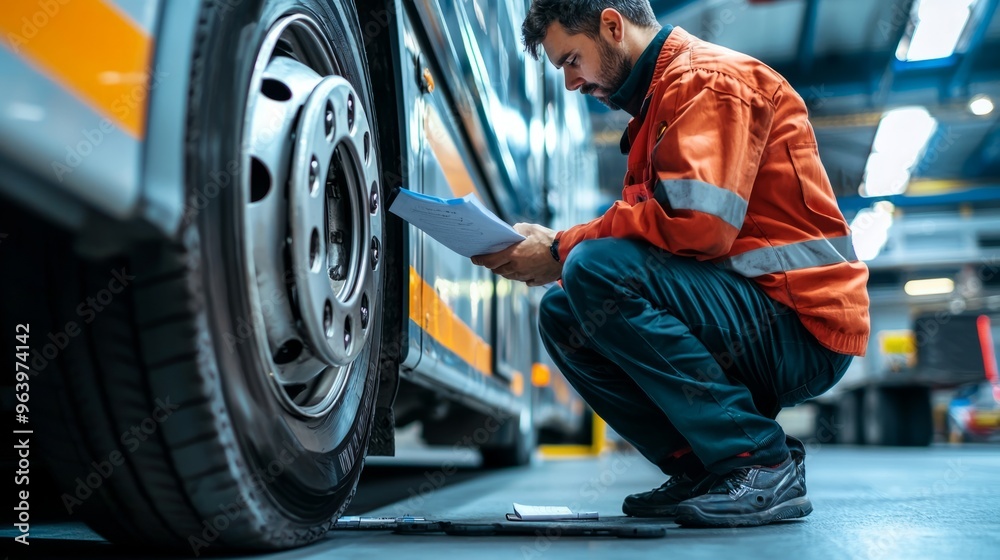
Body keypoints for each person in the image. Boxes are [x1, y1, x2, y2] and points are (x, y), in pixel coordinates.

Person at [470, 0, 870, 527]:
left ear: (612, 26)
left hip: (800, 326)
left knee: (591, 268)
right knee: (564, 312)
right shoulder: (658, 106)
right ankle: (702, 466)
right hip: (755, 310)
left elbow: (698, 225)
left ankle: (758, 460)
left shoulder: (706, 82)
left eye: (571, 60)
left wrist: (558, 248)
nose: (571, 83)